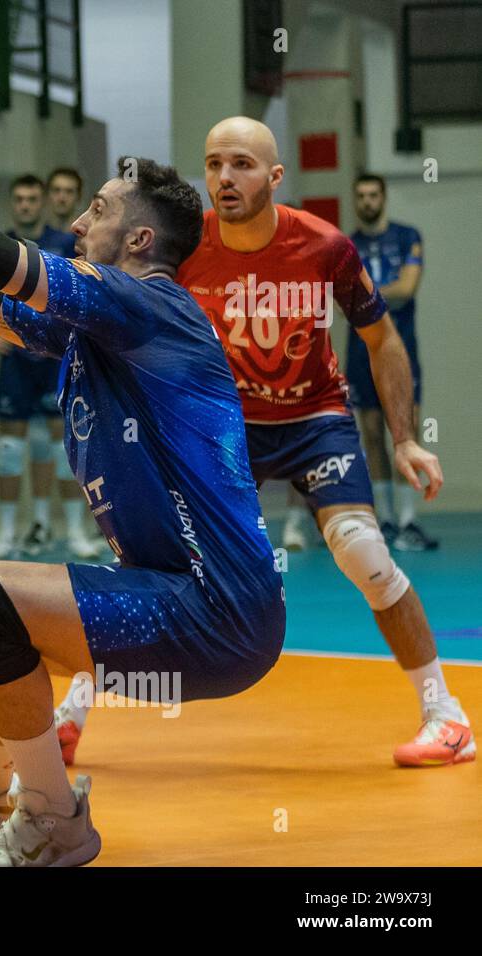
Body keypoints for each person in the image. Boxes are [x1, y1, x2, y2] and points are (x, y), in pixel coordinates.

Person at [0, 89, 284, 865]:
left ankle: (52, 821)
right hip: (186, 600)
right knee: (4, 610)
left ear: (138, 238)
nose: (75, 224)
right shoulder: (98, 321)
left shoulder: (149, 305)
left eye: (95, 210)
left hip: (214, 612)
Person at [170, 117, 468, 767]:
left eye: (243, 164)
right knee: (162, 558)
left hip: (314, 419)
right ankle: (70, 713)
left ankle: (446, 716)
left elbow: (382, 339)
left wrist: (406, 441)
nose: (225, 177)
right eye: (214, 163)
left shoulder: (326, 247)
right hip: (229, 425)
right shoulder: (184, 246)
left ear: (276, 177)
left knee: (362, 551)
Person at [0, 172, 100, 560]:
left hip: (54, 359)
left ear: (42, 202)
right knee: (10, 448)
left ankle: (71, 530)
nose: (25, 205)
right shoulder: (1, 245)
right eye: (19, 199)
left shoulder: (63, 245)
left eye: (32, 198)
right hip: (15, 362)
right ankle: (7, 535)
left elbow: (84, 295)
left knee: (63, 448)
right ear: (12, 203)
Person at [348, 173, 435, 552]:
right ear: (356, 201)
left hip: (401, 348)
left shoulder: (408, 235)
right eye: (362, 196)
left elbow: (407, 288)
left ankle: (408, 521)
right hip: (359, 350)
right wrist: (376, 296)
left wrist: (364, 295)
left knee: (406, 433)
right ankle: (383, 519)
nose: (368, 201)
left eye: (373, 195)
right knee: (371, 434)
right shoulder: (346, 245)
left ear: (383, 197)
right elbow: (341, 298)